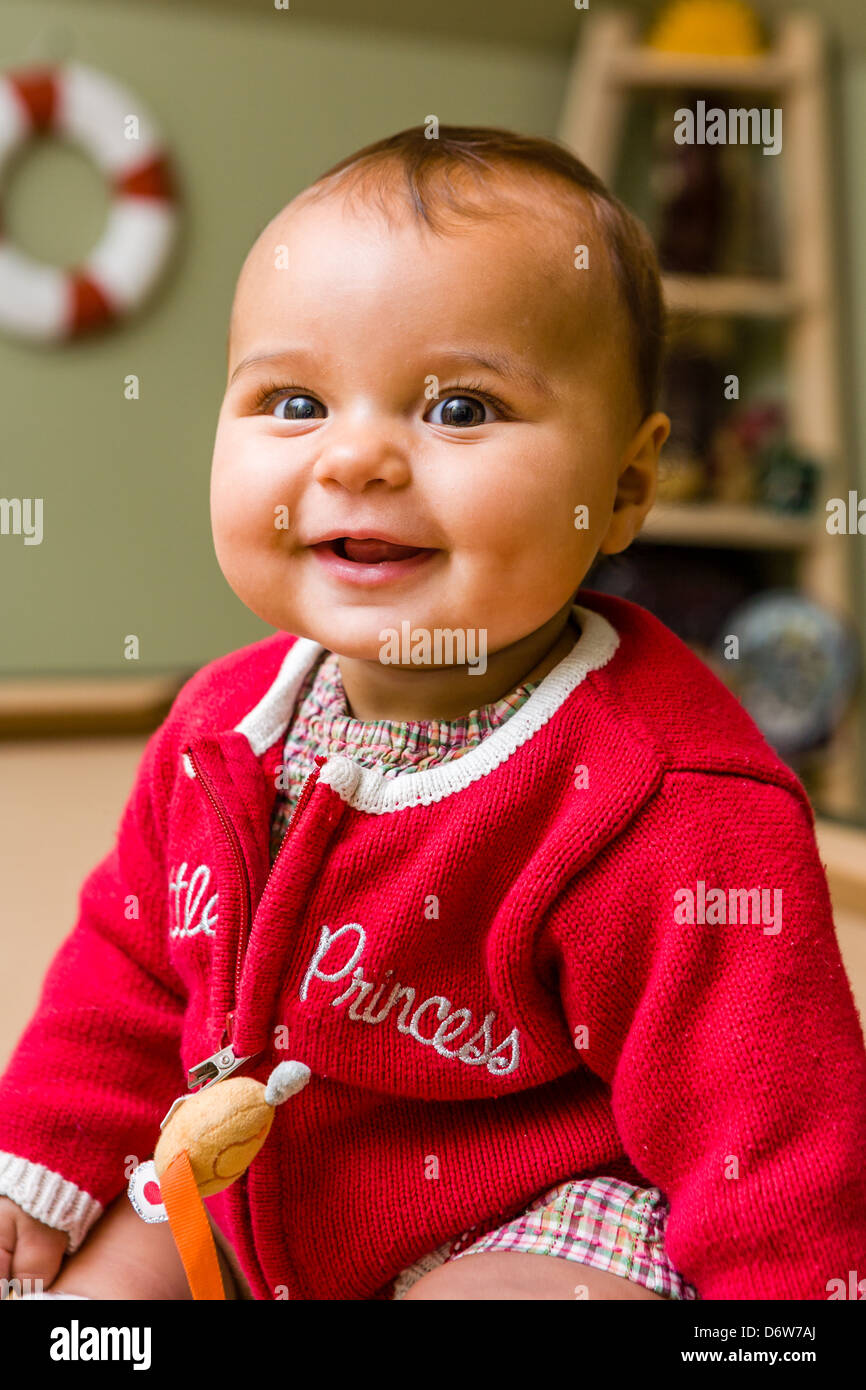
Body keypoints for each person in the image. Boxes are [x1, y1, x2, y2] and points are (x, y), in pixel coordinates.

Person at [2, 126, 865, 1302]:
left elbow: (772, 1133)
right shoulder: (221, 726)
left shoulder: (667, 804)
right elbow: (132, 966)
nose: (355, 455)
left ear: (620, 489)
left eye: (459, 409)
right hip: (264, 1186)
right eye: (293, 399)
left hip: (542, 1209)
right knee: (88, 1306)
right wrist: (38, 1163)